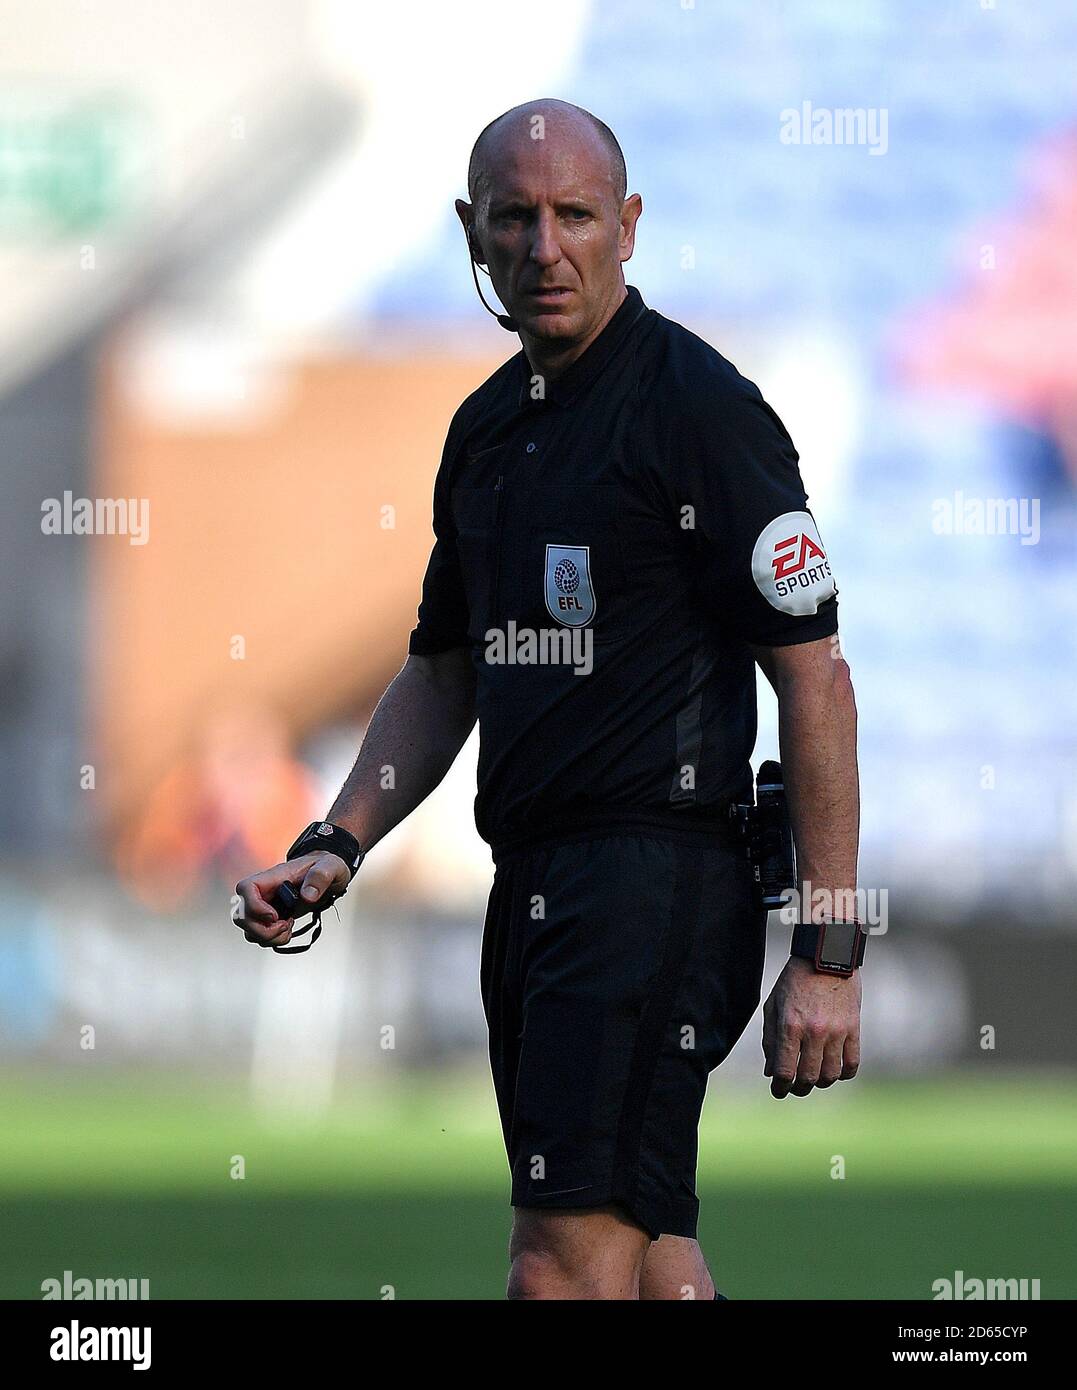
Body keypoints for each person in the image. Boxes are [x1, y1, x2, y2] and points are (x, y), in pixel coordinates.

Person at [233, 99, 862, 1301]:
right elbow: (443, 671)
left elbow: (815, 674)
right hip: (534, 881)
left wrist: (830, 950)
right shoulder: (486, 431)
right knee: (651, 1261)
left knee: (557, 1271)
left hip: (652, 881)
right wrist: (337, 840)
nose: (544, 246)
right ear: (472, 234)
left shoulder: (701, 411)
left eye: (575, 214)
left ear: (628, 225)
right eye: (514, 218)